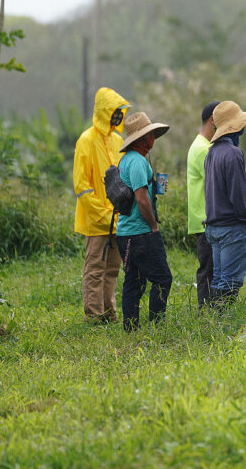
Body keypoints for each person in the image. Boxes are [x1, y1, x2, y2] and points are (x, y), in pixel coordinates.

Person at [73, 87, 130, 324]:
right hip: (96, 221)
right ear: (104, 112)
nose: (117, 117)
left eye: (120, 112)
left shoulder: (117, 140)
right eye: (114, 112)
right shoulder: (86, 140)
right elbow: (82, 186)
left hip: (117, 220)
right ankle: (94, 316)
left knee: (112, 270)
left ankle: (109, 312)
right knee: (95, 269)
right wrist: (102, 214)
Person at [116, 112, 172, 332]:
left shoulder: (125, 160)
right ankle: (157, 325)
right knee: (162, 278)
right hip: (141, 233)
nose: (153, 140)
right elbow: (141, 199)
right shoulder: (138, 162)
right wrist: (153, 226)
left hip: (124, 233)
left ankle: (131, 327)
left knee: (133, 280)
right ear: (141, 139)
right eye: (150, 135)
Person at [204, 101, 246, 305]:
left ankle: (214, 323)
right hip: (232, 226)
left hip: (214, 226)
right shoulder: (233, 153)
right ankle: (222, 325)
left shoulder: (212, 153)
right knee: (230, 283)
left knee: (219, 278)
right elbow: (238, 194)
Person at [187, 101, 219, 308]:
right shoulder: (203, 149)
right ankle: (206, 312)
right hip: (205, 219)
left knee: (211, 268)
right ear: (213, 120)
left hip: (205, 218)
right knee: (208, 269)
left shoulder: (203, 146)